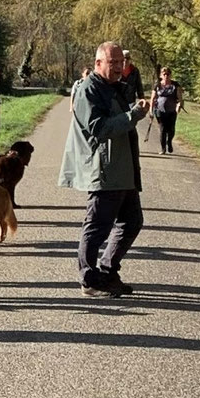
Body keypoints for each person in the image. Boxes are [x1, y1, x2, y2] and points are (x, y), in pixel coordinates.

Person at [59, 41, 149, 295]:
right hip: (105, 170)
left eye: (122, 62)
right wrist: (133, 115)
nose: (119, 67)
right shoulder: (89, 90)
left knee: (132, 222)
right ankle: (88, 279)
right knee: (97, 227)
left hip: (123, 171)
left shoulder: (114, 87)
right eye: (113, 62)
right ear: (98, 64)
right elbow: (99, 128)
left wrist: (134, 110)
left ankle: (107, 271)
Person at [152, 67, 182, 154]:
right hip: (159, 111)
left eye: (168, 74)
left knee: (171, 129)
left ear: (170, 75)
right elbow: (153, 98)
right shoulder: (157, 85)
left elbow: (180, 98)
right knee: (162, 129)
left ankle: (169, 142)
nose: (166, 75)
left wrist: (179, 106)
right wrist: (151, 110)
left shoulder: (175, 85)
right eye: (164, 74)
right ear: (161, 75)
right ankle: (163, 148)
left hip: (172, 111)